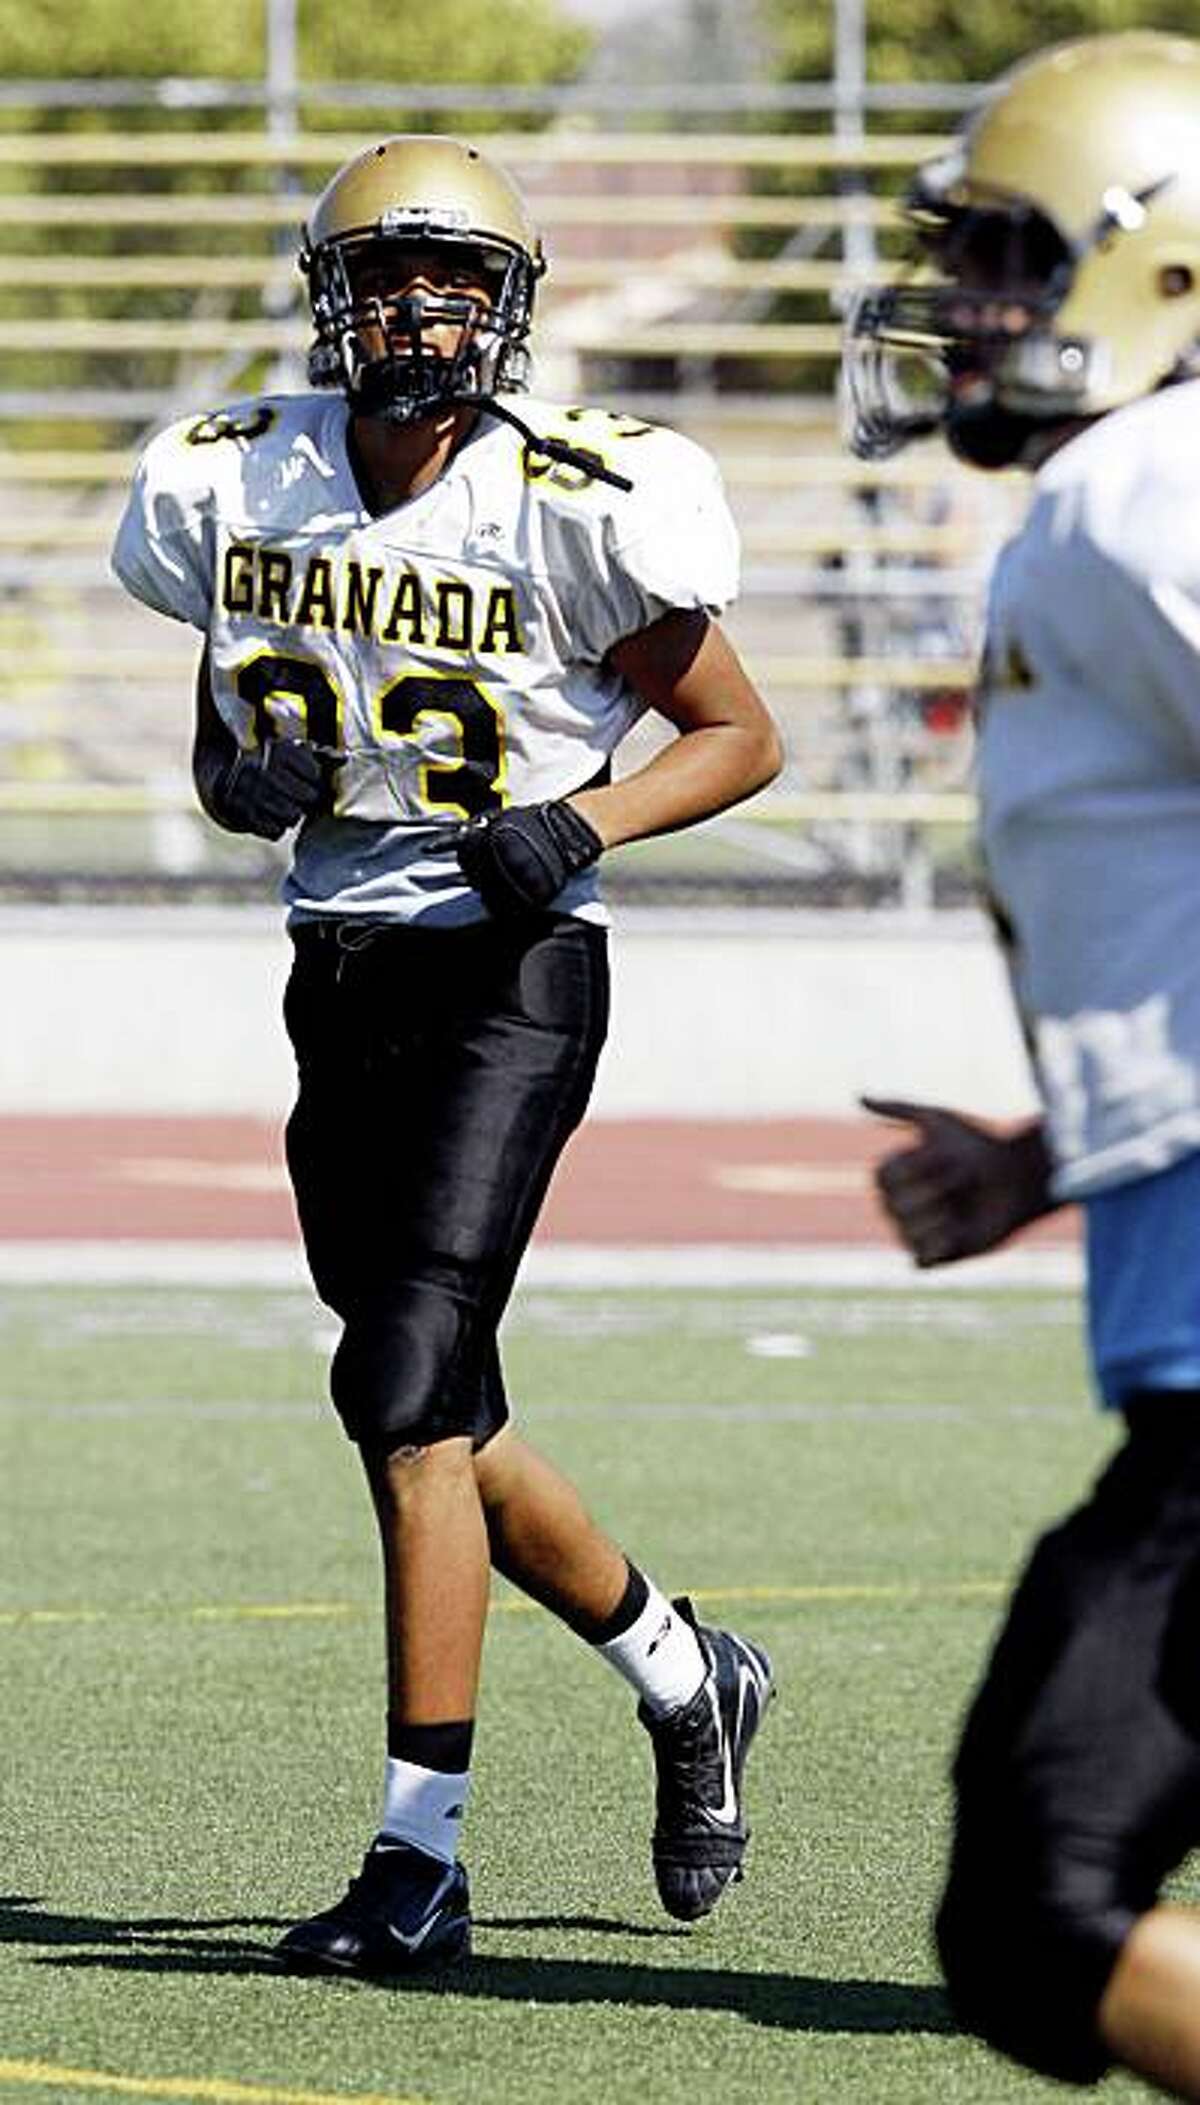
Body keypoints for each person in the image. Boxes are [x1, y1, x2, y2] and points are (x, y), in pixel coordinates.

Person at [111, 134, 780, 1978]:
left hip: (513, 975)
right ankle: (679, 1665)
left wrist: (590, 823)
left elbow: (740, 733)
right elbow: (233, 729)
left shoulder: (575, 499)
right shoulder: (247, 484)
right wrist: (240, 782)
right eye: (389, 278)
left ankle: (420, 1860)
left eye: (458, 282)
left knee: (402, 1381)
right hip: (340, 972)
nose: (423, 311)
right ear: (332, 307)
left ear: (510, 309)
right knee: (434, 1408)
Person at [844, 30, 1200, 2101]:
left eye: (1006, 253)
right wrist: (1057, 1149)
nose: (968, 305)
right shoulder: (1116, 499)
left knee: (1038, 1906)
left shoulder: (1142, 488)